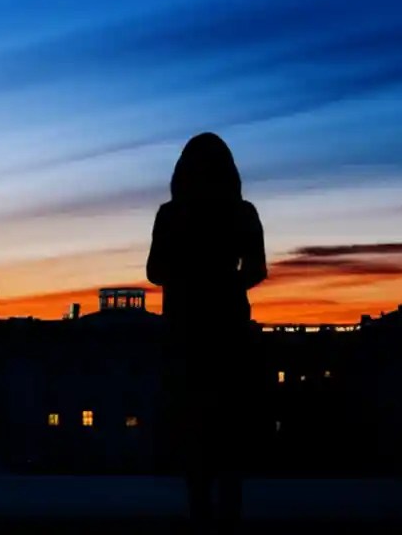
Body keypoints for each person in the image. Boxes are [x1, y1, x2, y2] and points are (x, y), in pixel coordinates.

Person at [146, 133, 267, 535]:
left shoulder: (170, 214)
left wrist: (188, 279)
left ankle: (200, 509)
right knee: (227, 425)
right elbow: (256, 270)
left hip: (186, 328)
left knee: (193, 422)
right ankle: (227, 512)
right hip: (226, 327)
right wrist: (225, 284)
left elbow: (154, 272)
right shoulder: (242, 212)